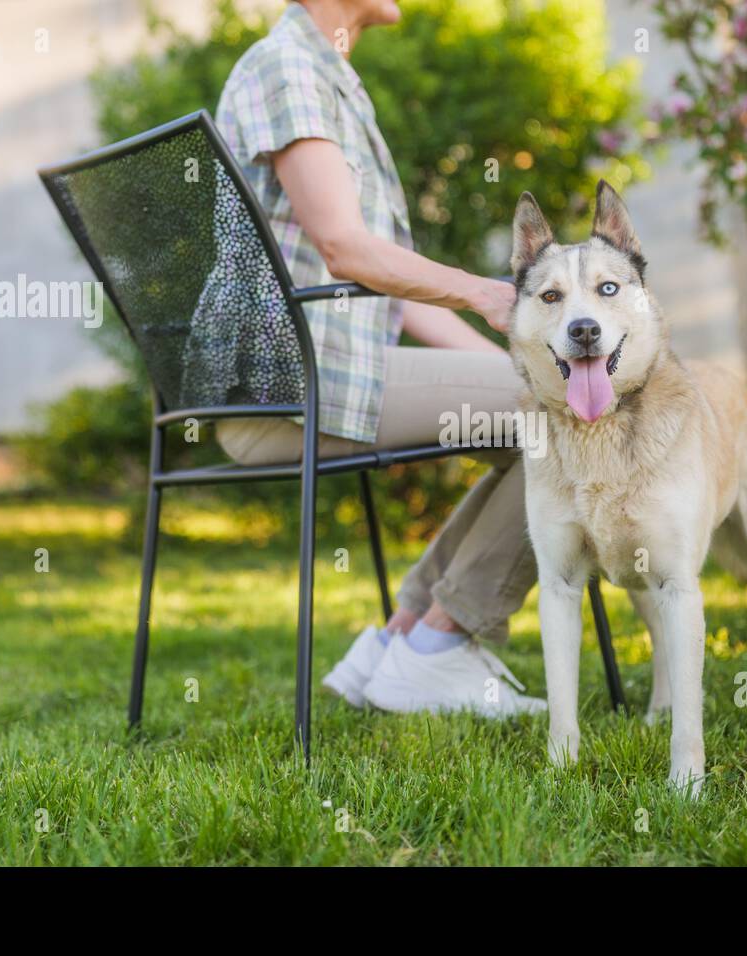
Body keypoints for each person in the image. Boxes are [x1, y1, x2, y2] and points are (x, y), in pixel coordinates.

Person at [209, 0, 542, 716]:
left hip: (319, 383)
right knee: (568, 419)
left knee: (557, 407)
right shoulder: (287, 67)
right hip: (295, 393)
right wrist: (488, 291)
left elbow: (394, 290)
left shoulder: (327, 75)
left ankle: (406, 640)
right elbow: (346, 249)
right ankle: (439, 645)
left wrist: (516, 357)